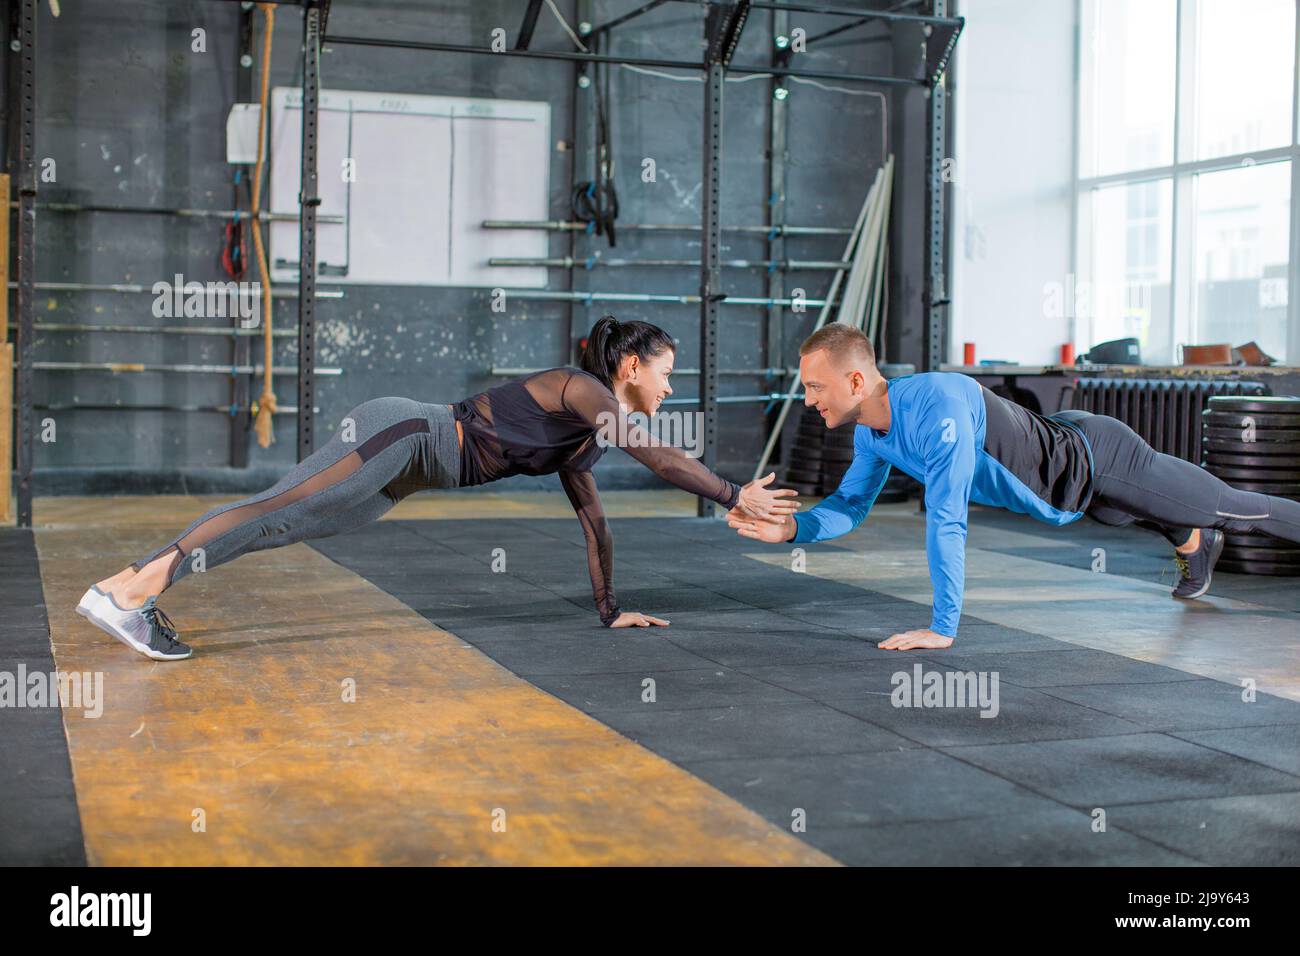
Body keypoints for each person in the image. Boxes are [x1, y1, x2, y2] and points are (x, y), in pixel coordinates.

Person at [77, 315, 799, 660]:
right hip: (406, 433)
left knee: (284, 528)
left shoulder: (584, 435)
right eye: (665, 372)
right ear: (632, 366)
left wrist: (609, 610)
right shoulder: (582, 390)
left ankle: (124, 587)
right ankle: (134, 591)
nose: (671, 387)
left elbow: (597, 525)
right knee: (279, 505)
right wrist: (734, 492)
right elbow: (660, 460)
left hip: (406, 481)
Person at [727, 322, 1300, 650]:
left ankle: (1205, 533)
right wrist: (793, 528)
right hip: (1071, 485)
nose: (808, 400)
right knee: (1127, 514)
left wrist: (942, 626)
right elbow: (851, 507)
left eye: (815, 386)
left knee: (1234, 508)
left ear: (855, 378)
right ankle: (1195, 546)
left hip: (1099, 457)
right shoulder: (872, 436)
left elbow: (948, 517)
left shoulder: (939, 406)